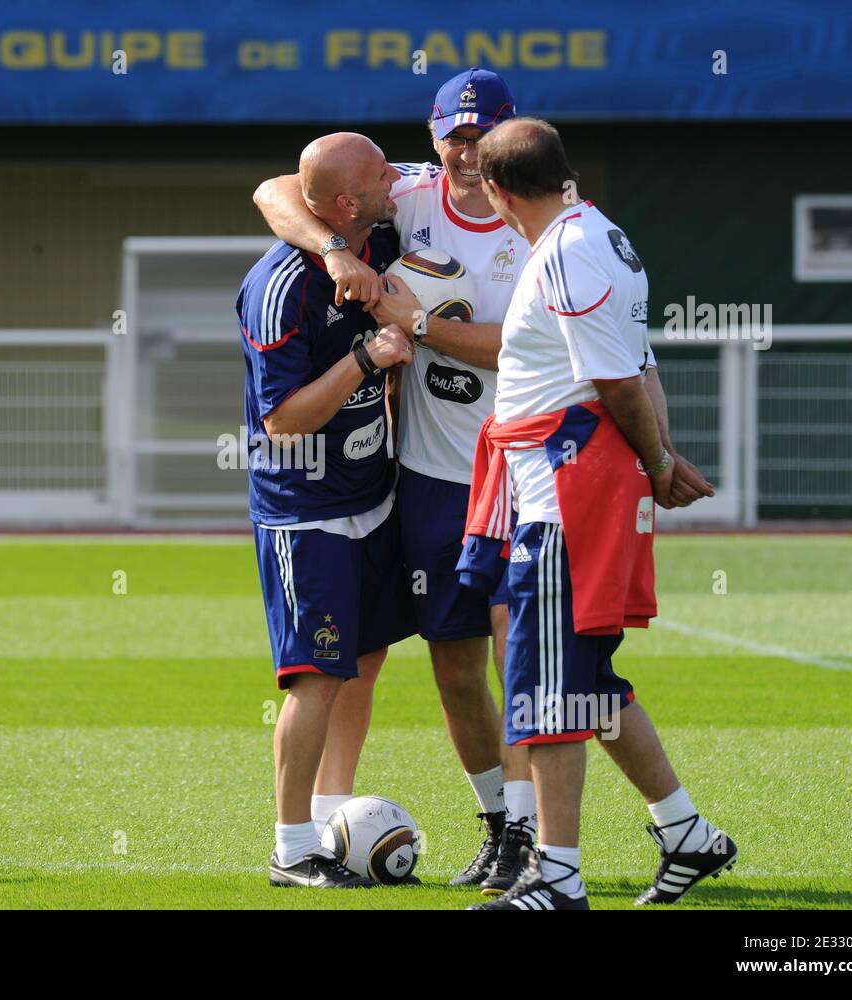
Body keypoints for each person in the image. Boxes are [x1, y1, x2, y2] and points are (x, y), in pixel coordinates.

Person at [253, 69, 535, 891]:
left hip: (520, 467)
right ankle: (496, 823)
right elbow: (279, 189)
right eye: (456, 133)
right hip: (426, 479)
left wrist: (415, 327)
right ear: (435, 133)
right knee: (452, 668)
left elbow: (523, 351)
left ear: (513, 134)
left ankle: (535, 833)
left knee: (523, 662)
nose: (468, 150)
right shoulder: (405, 194)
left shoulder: (554, 223)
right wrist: (335, 247)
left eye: (484, 134)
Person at [460, 117, 737, 910]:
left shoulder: (570, 251)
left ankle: (558, 884)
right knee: (585, 683)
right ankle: (686, 834)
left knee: (550, 695)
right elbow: (638, 364)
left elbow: (617, 382)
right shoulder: (598, 235)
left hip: (565, 495)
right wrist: (661, 457)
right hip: (559, 487)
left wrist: (656, 465)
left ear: (499, 190)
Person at [237, 132, 418, 887]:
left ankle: (332, 816)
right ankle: (291, 848)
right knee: (314, 675)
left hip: (373, 495)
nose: (397, 183)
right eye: (382, 176)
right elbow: (282, 423)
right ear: (347, 202)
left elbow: (279, 186)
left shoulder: (374, 232)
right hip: (306, 511)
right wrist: (368, 359)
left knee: (362, 662)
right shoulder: (281, 287)